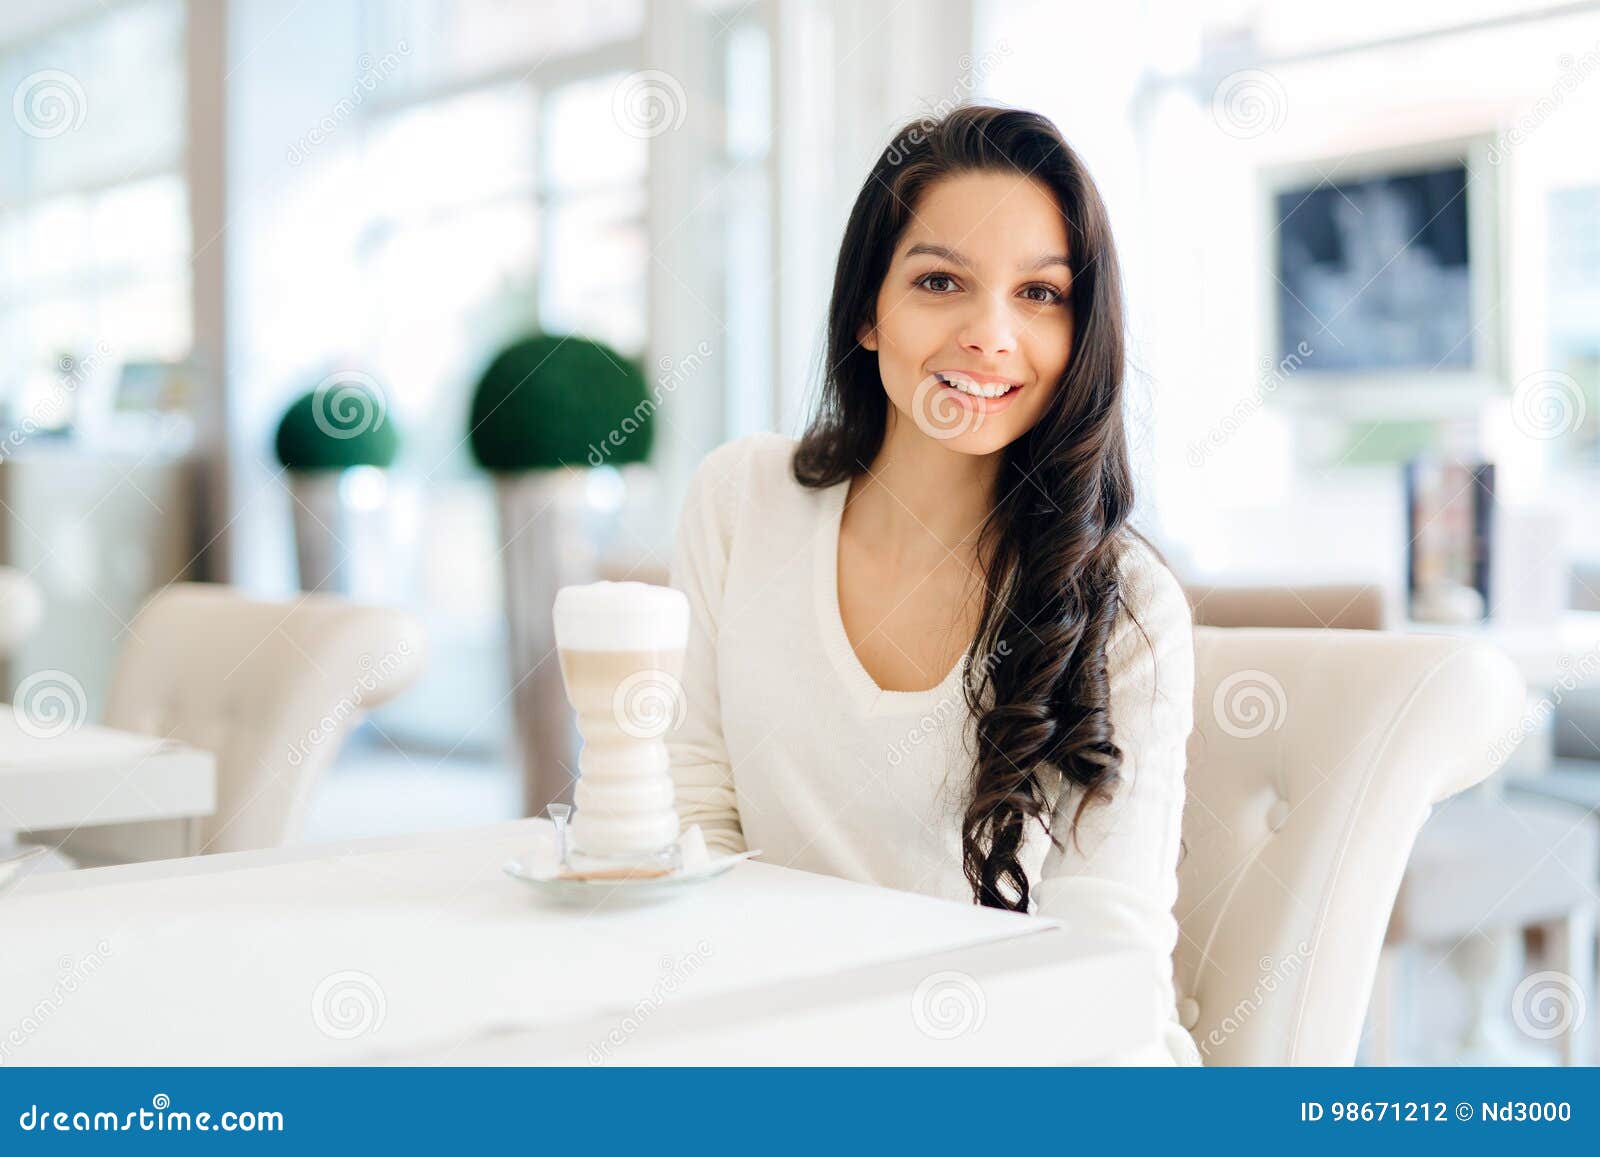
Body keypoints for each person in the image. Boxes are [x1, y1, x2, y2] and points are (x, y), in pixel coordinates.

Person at [668, 104, 1200, 1065]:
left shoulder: (1125, 603)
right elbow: (695, 827)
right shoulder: (741, 500)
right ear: (869, 312)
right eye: (941, 281)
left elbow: (1104, 958)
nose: (990, 335)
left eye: (1041, 294)